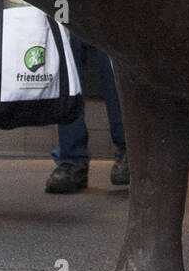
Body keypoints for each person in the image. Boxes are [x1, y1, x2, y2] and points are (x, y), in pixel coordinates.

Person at [44, 35, 128, 193]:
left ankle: (129, 150)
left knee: (114, 56)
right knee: (68, 59)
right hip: (69, 10)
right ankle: (72, 161)